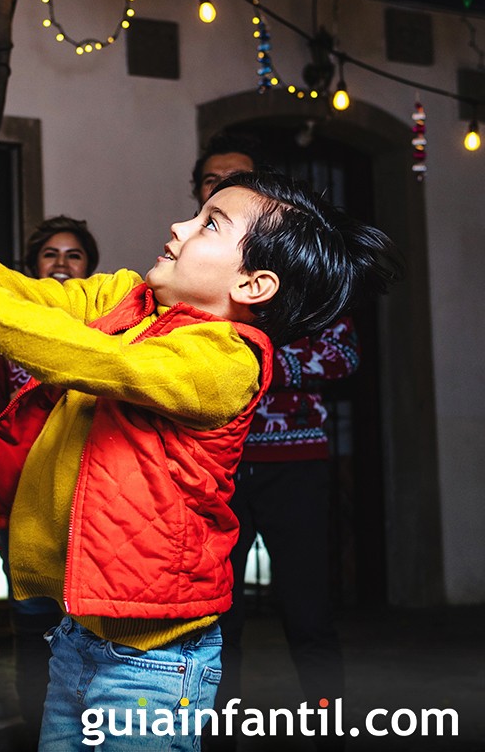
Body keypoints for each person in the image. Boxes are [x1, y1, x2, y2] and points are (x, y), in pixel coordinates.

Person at [0, 172, 400, 751]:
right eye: (195, 213)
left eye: (209, 223)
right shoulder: (124, 298)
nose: (179, 227)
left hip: (155, 659)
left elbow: (99, 360)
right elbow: (22, 294)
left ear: (254, 283)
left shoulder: (227, 361)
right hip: (78, 633)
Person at [193, 133, 356, 750]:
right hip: (219, 470)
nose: (219, 187)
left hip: (298, 466)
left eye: (236, 178)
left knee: (309, 618)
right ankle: (215, 742)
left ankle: (331, 736)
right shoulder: (194, 273)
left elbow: (340, 353)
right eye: (211, 181)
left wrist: (247, 361)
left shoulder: (301, 270)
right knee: (215, 623)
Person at [0, 215, 99, 739]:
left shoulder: (107, 331)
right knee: (32, 625)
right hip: (25, 505)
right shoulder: (10, 335)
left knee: (88, 626)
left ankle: (88, 731)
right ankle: (35, 733)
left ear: (91, 266)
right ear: (32, 266)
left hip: (88, 503)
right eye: (51, 255)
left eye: (74, 255)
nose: (63, 265)